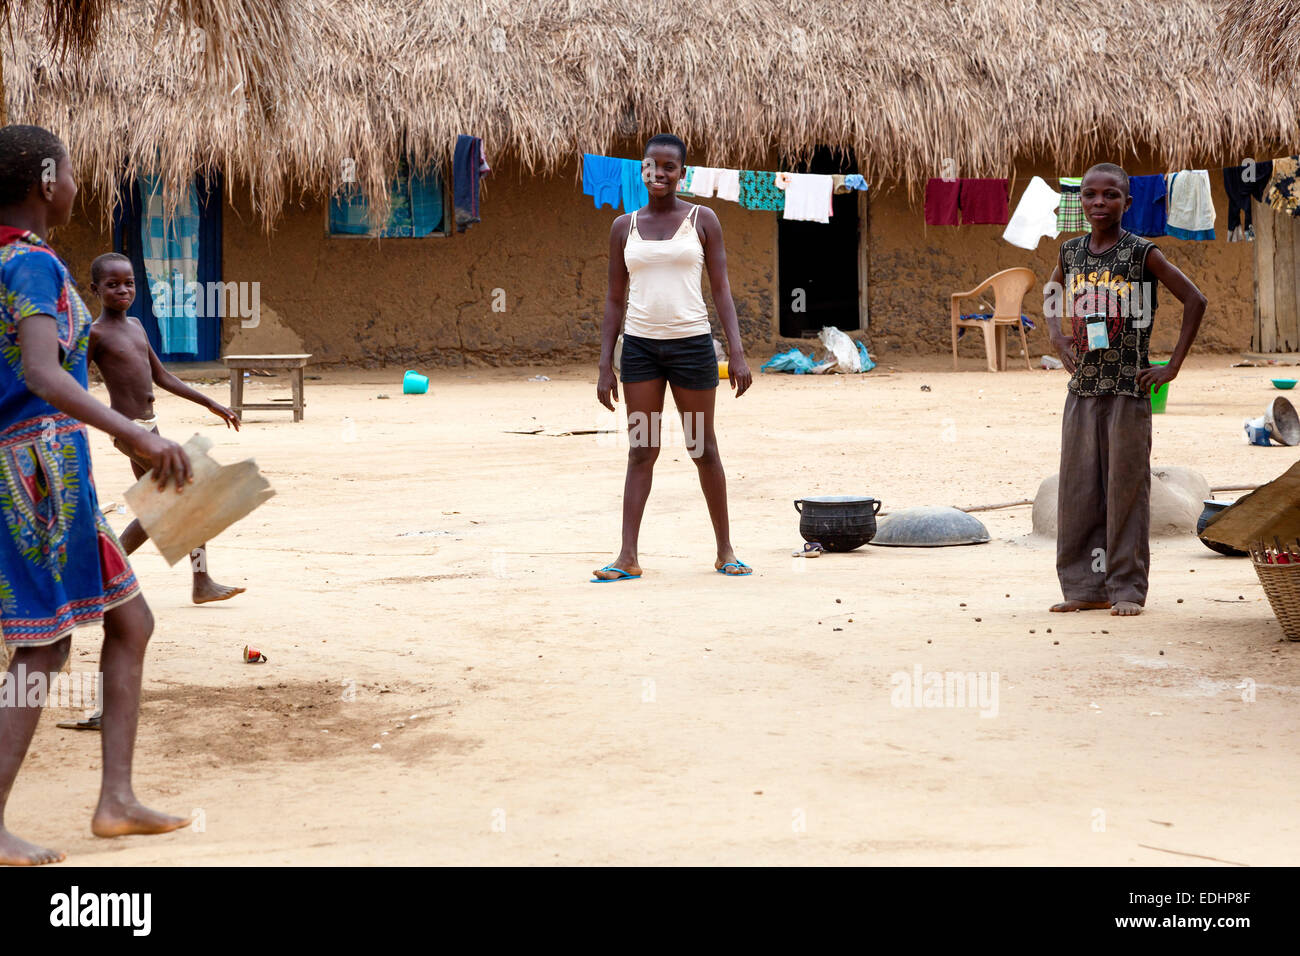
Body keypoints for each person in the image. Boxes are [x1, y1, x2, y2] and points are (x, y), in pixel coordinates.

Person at [0, 125, 193, 865]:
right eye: (74, 171)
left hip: (53, 467)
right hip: (39, 469)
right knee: (42, 644)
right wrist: (138, 435)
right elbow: (44, 376)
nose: (80, 183)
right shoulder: (33, 264)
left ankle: (116, 800)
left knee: (131, 620)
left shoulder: (10, 259)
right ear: (47, 180)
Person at [1044, 163, 1206, 617]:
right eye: (1091, 195)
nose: (1100, 203)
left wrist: (1171, 366)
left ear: (1127, 203)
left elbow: (1195, 299)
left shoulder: (1142, 253)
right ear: (1080, 201)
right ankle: (1083, 586)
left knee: (1126, 490)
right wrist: (1057, 338)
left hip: (1128, 390)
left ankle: (1126, 589)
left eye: (1110, 195)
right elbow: (1051, 290)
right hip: (1083, 389)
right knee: (1079, 491)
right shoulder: (1071, 251)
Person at [594, 134, 754, 581]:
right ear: (641, 170)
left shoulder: (703, 220)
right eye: (651, 166)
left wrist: (737, 354)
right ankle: (627, 556)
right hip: (641, 351)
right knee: (641, 450)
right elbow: (613, 299)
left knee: (702, 448)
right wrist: (605, 363)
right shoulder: (624, 227)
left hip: (691, 349)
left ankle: (725, 551)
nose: (658, 173)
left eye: (668, 167)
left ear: (682, 173)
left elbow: (721, 290)